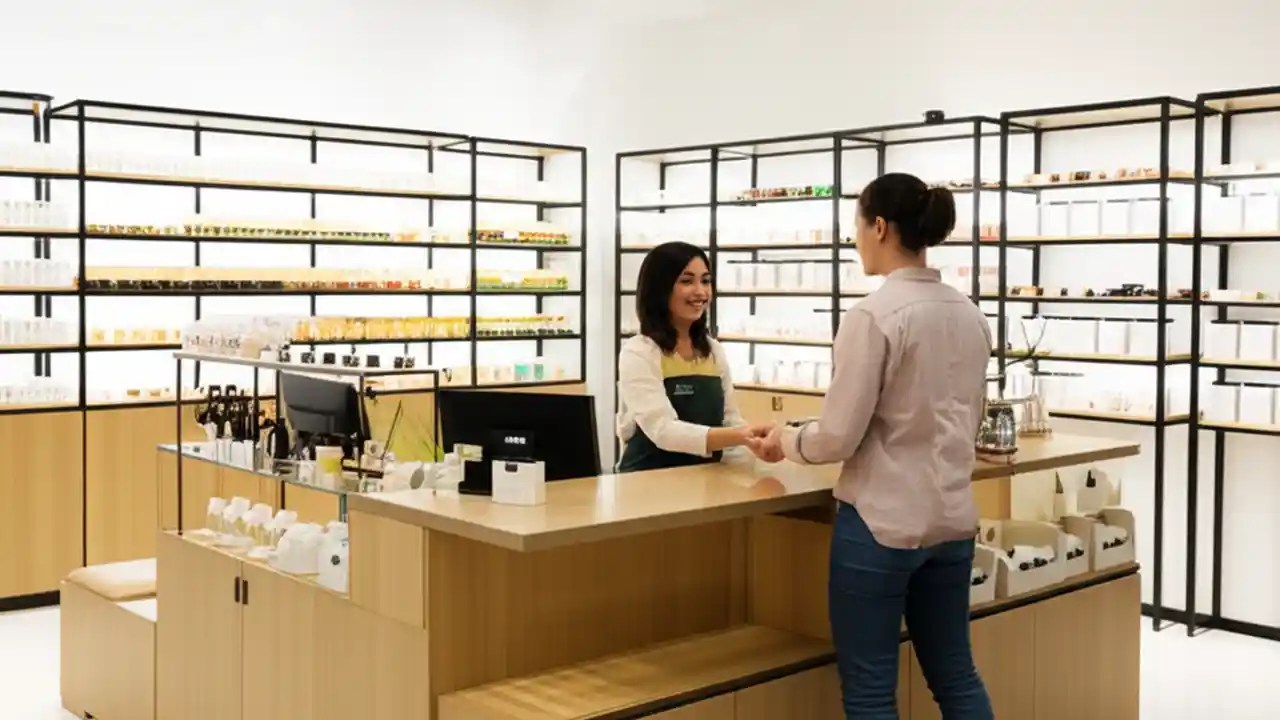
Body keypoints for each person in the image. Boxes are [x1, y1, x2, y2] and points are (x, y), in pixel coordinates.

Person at [752, 173, 995, 719]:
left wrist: (786, 440)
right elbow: (968, 417)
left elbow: (838, 436)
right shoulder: (969, 313)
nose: (856, 239)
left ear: (879, 227)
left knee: (869, 689)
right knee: (956, 674)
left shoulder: (874, 316)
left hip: (881, 526)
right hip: (952, 521)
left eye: (858, 227)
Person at [616, 241, 769, 472]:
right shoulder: (640, 351)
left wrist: (753, 454)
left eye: (706, 281)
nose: (700, 291)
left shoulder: (713, 350)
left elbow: (730, 420)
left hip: (703, 480)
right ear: (660, 288)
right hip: (646, 483)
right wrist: (741, 435)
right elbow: (663, 430)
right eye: (687, 281)